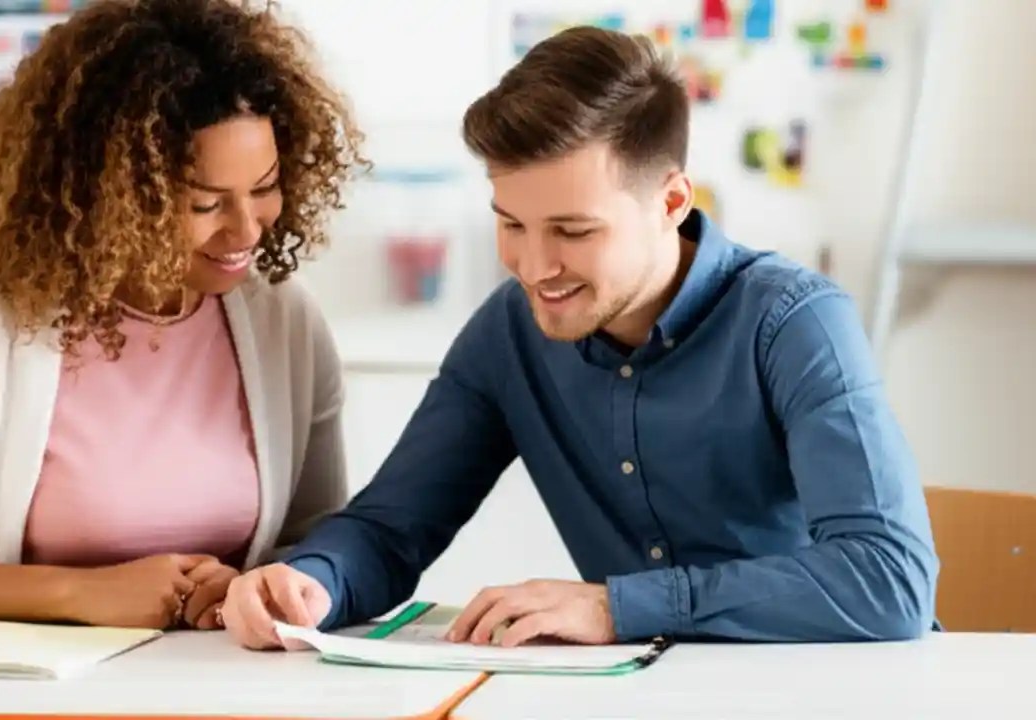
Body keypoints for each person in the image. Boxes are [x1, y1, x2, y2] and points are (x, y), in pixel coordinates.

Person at [222, 26, 939, 649]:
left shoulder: (794, 322)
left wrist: (616, 606)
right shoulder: (509, 333)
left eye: (573, 231)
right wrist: (310, 582)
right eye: (511, 224)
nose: (535, 268)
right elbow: (388, 530)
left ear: (670, 202)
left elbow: (888, 578)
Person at [0, 0, 364, 631]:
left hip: (215, 687)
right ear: (113, 196)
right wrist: (77, 593)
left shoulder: (284, 322)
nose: (245, 229)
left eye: (264, 188)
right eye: (206, 204)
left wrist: (256, 588)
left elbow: (316, 544)